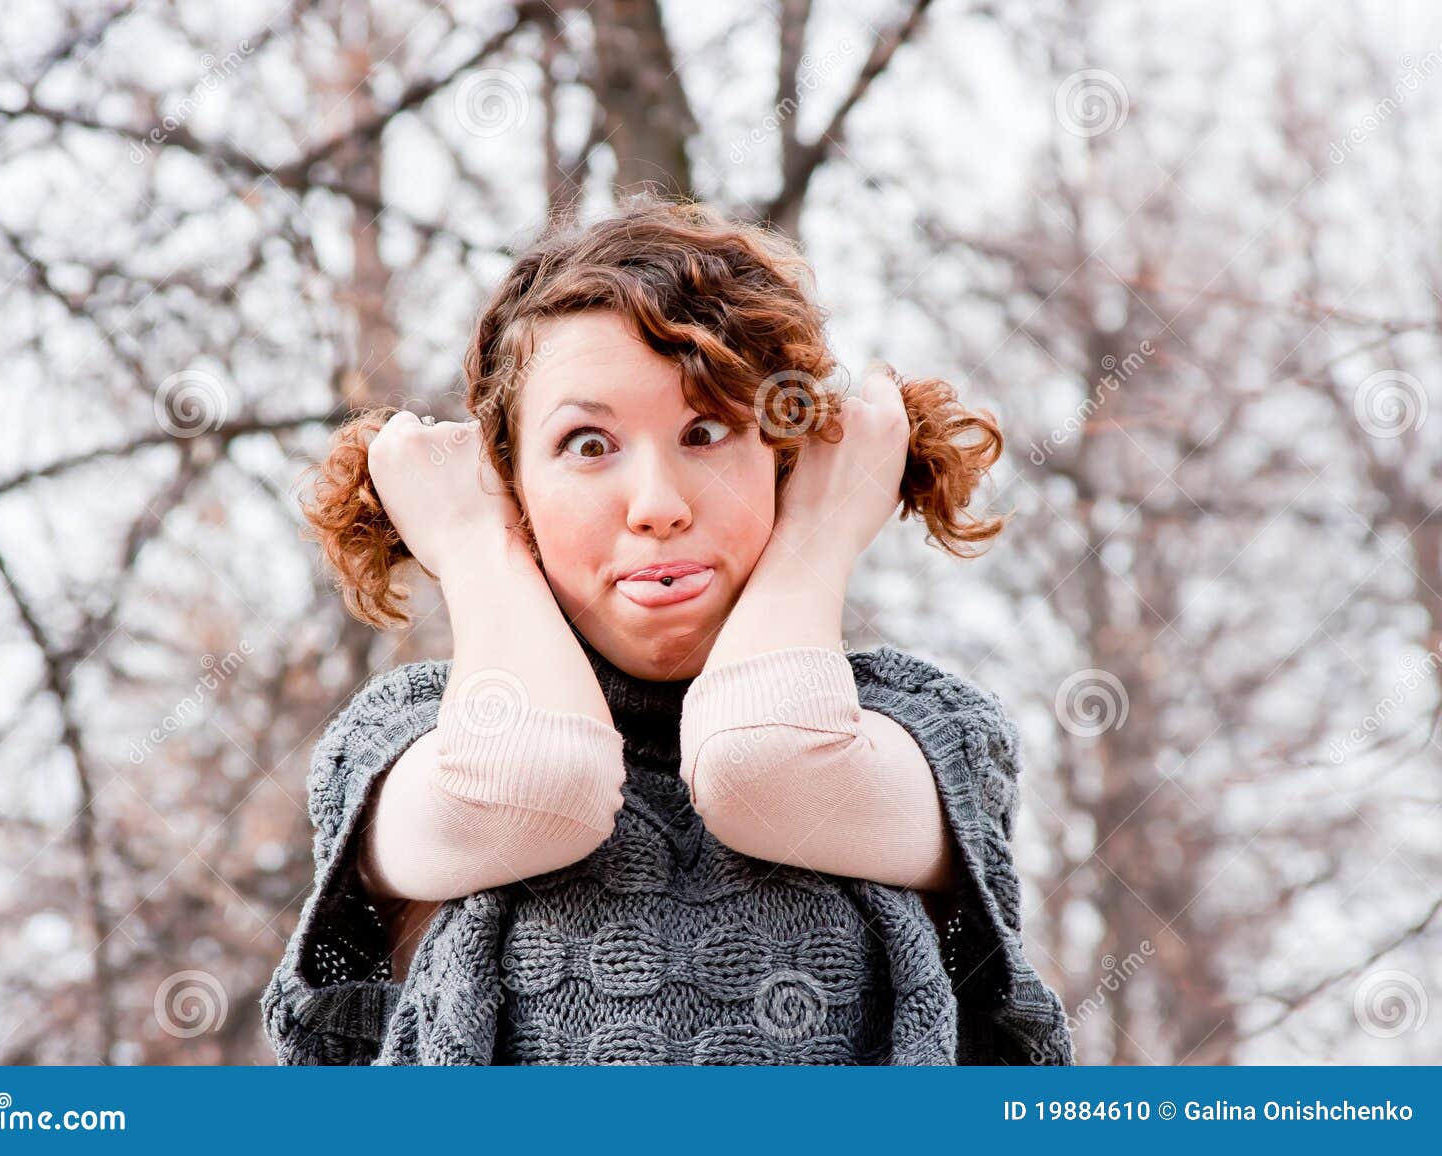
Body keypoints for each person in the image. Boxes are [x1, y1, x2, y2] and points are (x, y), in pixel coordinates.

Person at [260, 193, 1072, 1065]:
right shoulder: (411, 738)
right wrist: (473, 549)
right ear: (510, 486)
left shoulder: (924, 730)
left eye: (709, 429)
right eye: (586, 444)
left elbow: (762, 765)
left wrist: (816, 534)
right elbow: (539, 782)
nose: (657, 506)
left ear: (786, 463)